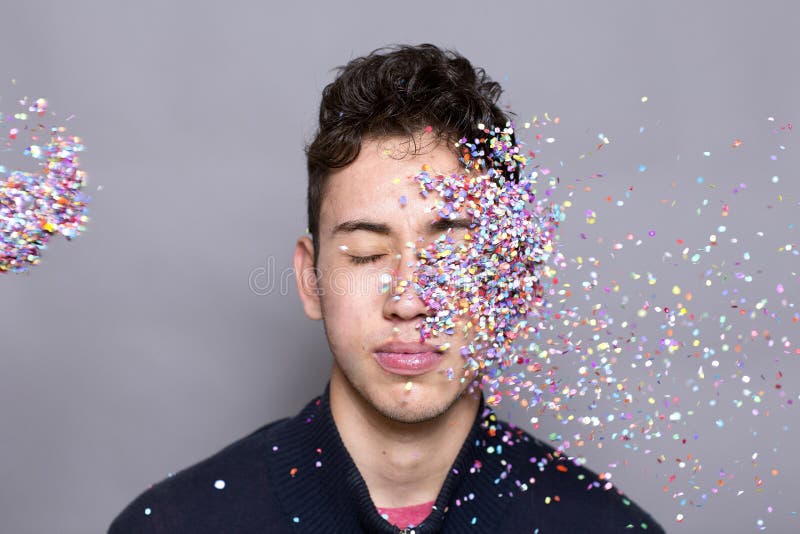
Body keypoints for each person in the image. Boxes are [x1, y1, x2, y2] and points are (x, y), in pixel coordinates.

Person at [109, 44, 664, 533]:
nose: (408, 301)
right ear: (311, 280)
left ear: (512, 280)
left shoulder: (609, 527)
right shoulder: (173, 525)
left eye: (450, 255)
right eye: (367, 255)